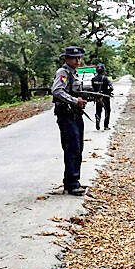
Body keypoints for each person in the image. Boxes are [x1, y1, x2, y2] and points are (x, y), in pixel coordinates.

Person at [51, 46, 88, 196]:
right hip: (66, 115)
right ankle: (72, 183)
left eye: (79, 58)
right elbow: (57, 91)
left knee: (78, 148)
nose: (77, 60)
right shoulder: (63, 72)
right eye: (74, 58)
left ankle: (72, 181)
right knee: (72, 148)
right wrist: (74, 101)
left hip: (75, 114)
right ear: (66, 59)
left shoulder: (74, 73)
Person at [91, 63, 114, 131]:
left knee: (98, 110)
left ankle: (98, 118)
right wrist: (108, 92)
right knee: (107, 111)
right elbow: (111, 87)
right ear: (103, 70)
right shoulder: (106, 78)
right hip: (105, 97)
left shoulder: (93, 79)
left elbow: (92, 89)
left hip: (97, 97)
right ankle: (106, 126)